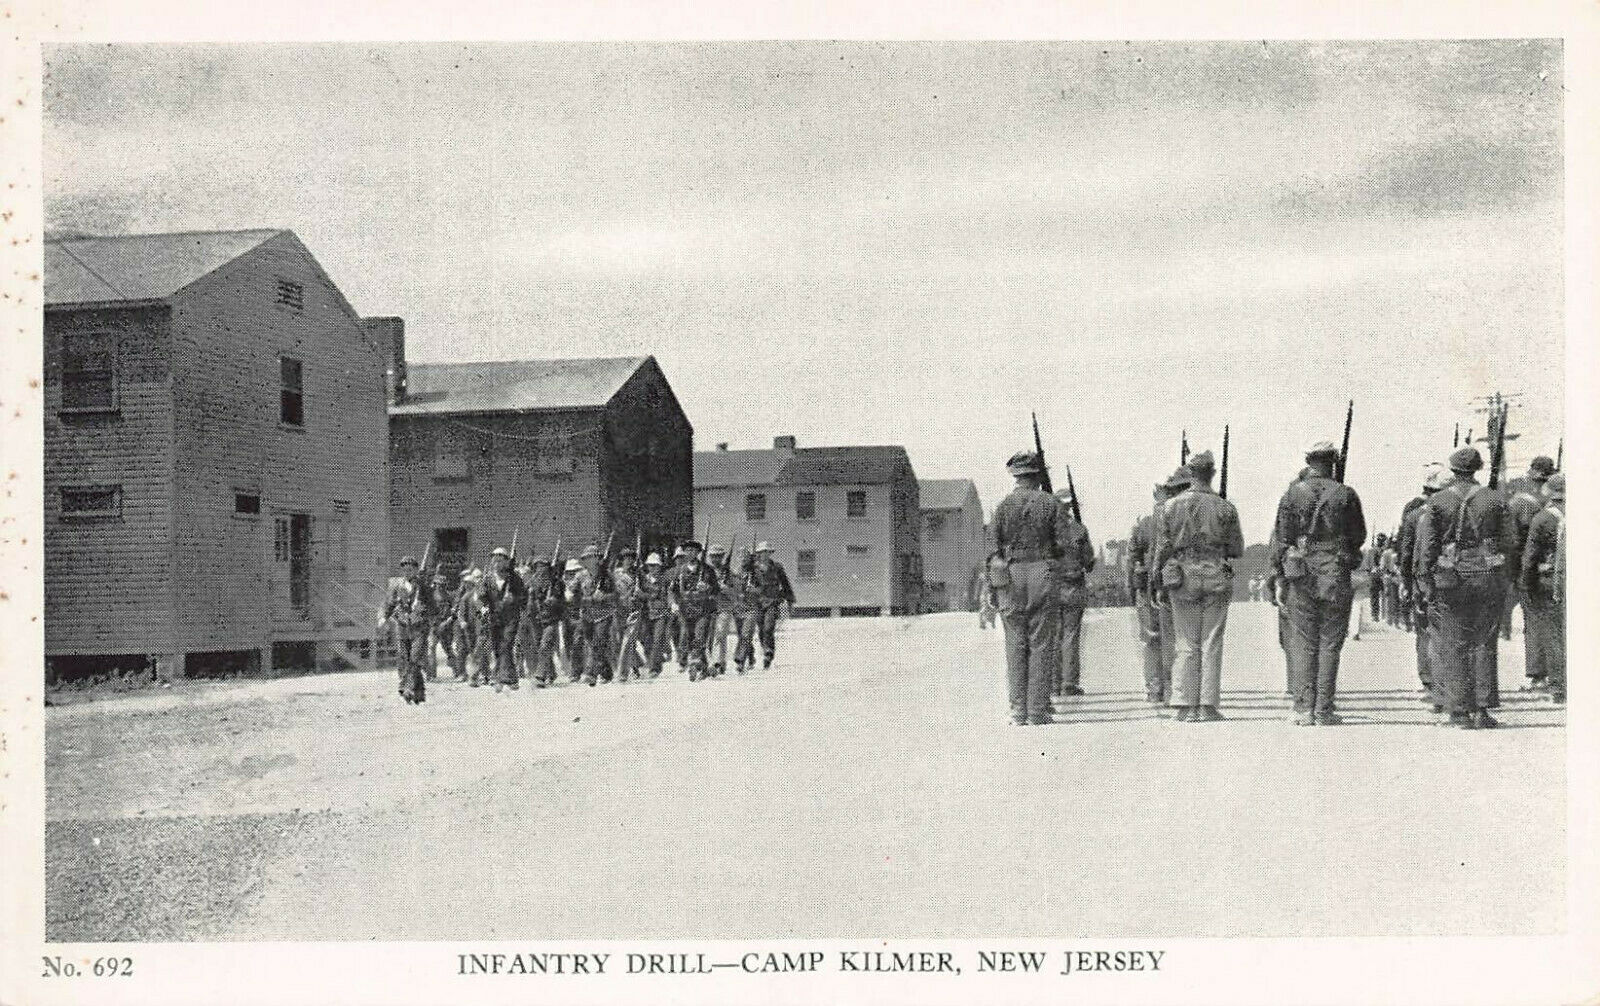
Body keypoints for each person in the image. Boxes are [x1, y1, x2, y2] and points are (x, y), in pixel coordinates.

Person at [1414, 446, 1517, 729]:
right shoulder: (1495, 499)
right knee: (1483, 641)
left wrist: (1425, 580)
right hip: (1486, 576)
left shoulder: (1438, 501)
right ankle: (1482, 709)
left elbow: (1428, 547)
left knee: (1454, 642)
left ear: (1453, 470)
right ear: (1477, 469)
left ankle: (1459, 711)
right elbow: (1510, 542)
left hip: (1451, 578)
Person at [1271, 441, 1367, 726]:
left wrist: (1279, 575)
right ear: (1333, 463)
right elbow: (1358, 535)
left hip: (1301, 571)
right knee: (1330, 642)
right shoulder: (1346, 494)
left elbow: (1282, 538)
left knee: (1303, 641)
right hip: (1335, 571)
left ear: (1309, 462)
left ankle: (1303, 708)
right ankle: (1324, 709)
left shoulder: (1292, 494)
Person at [1152, 450, 1244, 723]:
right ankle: (1207, 705)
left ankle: (1184, 704)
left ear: (1190, 474)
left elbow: (1162, 548)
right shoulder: (1226, 507)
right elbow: (1237, 549)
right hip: (1215, 573)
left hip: (1182, 576)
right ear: (1212, 474)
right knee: (1211, 641)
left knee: (1185, 641)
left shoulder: (1170, 507)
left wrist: (1156, 580)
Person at [992, 450, 1073, 726]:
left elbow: (992, 548)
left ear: (1015, 476)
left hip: (1011, 574)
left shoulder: (1003, 506)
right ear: (1038, 476)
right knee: (1041, 642)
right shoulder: (1051, 504)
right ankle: (1037, 710)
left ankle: (1018, 710)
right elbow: (1064, 543)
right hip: (1042, 572)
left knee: (1015, 643)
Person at [1399, 465, 1450, 711]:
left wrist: (1406, 581)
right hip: (1452, 576)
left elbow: (1406, 552)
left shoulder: (1414, 514)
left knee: (1425, 632)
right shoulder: (1455, 509)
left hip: (1423, 580)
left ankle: (1430, 682)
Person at [1507, 455, 1557, 689]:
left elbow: (1513, 541)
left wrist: (1513, 571)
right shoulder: (1558, 502)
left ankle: (1538, 675)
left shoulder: (1519, 502)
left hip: (1529, 567)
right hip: (1556, 567)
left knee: (1534, 620)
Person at [1520, 472, 1565, 705]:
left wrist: (1526, 584)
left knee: (1554, 633)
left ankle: (1558, 685)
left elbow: (1530, 556)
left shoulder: (1543, 518)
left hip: (1550, 581)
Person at [1126, 477, 1168, 706]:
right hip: (1172, 585)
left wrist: (1132, 590)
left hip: (1148, 587)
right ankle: (1172, 688)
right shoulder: (1179, 521)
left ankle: (1154, 688)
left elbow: (1132, 559)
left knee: (1151, 638)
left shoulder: (1144, 525)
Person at [1052, 489, 1096, 698]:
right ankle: (1069, 682)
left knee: (1054, 634)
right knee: (1070, 635)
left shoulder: (1048, 529)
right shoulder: (1079, 529)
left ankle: (1054, 682)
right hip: (1074, 586)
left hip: (1053, 586)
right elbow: (1089, 562)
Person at [383, 555, 434, 705]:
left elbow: (433, 606)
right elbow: (389, 604)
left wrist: (424, 611)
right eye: (405, 570)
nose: (407, 572)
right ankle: (418, 693)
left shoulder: (423, 586)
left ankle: (406, 687)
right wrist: (384, 617)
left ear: (416, 570)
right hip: (403, 626)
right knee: (404, 657)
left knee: (415, 657)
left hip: (419, 628)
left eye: (410, 569)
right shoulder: (397, 587)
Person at [669, 540, 721, 681]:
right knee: (688, 637)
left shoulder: (708, 570)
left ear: (698, 552)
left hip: (703, 610)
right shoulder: (679, 571)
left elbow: (716, 590)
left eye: (693, 550)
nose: (690, 553)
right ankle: (705, 668)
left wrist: (707, 587)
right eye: (688, 550)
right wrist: (673, 603)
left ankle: (694, 663)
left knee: (700, 635)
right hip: (685, 610)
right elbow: (672, 590)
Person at [477, 547, 527, 692]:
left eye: (500, 560)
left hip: (511, 618)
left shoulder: (514, 578)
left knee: (506, 645)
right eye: (494, 560)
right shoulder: (487, 579)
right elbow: (481, 596)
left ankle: (500, 678)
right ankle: (512, 678)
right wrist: (483, 607)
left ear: (506, 562)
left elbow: (523, 597)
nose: (497, 563)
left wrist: (514, 598)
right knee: (497, 648)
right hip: (494, 618)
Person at [572, 544, 617, 685]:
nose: (589, 560)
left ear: (598, 559)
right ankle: (606, 672)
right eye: (586, 558)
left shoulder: (607, 575)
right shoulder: (580, 576)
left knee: (598, 641)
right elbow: (574, 595)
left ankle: (591, 674)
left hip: (604, 614)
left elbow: (615, 595)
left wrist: (604, 596)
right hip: (587, 614)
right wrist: (581, 599)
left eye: (591, 557)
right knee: (591, 644)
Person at [748, 542, 796, 669]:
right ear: (759, 554)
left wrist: (790, 600)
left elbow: (785, 583)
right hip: (757, 602)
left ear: (770, 553)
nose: (765, 554)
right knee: (761, 628)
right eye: (762, 552)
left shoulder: (777, 567)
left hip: (772, 601)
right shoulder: (753, 568)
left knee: (769, 627)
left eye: (767, 552)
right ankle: (765, 649)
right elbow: (746, 580)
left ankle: (769, 652)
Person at [522, 557, 565, 687]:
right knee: (539, 646)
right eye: (538, 567)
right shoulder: (532, 583)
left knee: (545, 645)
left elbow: (561, 601)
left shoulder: (557, 583)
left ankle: (540, 675)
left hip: (551, 620)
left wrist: (553, 601)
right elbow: (526, 599)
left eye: (544, 567)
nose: (541, 570)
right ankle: (551, 673)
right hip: (536, 619)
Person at [637, 553, 673, 677]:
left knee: (657, 639)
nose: (652, 568)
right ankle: (654, 659)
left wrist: (643, 595)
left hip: (660, 613)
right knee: (645, 639)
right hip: (646, 614)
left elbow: (662, 595)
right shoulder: (642, 580)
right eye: (650, 565)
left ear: (659, 567)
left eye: (655, 565)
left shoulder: (664, 580)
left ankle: (654, 668)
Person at [612, 548, 644, 682]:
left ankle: (623, 674)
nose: (629, 561)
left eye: (631, 558)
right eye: (626, 558)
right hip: (618, 610)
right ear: (622, 560)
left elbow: (646, 592)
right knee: (619, 641)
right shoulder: (615, 574)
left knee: (628, 640)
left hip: (634, 610)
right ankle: (635, 665)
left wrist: (639, 593)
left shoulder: (639, 574)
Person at [452, 568, 483, 683]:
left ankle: (477, 674)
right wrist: (462, 621)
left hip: (475, 625)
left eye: (470, 583)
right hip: (462, 626)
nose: (467, 585)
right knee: (462, 649)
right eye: (466, 583)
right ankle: (462, 673)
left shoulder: (478, 594)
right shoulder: (462, 595)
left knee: (477, 649)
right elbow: (459, 611)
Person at [560, 559, 585, 683]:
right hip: (566, 617)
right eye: (570, 572)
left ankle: (575, 672)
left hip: (579, 616)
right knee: (568, 644)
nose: (573, 574)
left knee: (577, 643)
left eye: (575, 571)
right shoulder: (562, 584)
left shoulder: (582, 583)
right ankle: (574, 669)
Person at [1363, 533, 1387, 623]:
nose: (1381, 542)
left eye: (1382, 540)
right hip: (1374, 576)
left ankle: (1384, 615)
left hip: (1382, 575)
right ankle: (1375, 615)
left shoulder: (1385, 551)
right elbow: (1368, 564)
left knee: (1384, 596)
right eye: (1379, 540)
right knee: (1374, 596)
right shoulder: (1372, 550)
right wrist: (1371, 571)